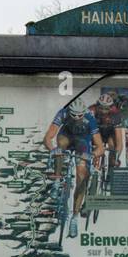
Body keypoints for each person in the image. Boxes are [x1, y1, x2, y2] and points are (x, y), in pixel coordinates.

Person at [43, 97, 101, 239]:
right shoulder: (62, 113)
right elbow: (48, 137)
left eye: (79, 115)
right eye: (73, 115)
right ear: (69, 112)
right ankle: (57, 181)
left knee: (82, 176)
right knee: (60, 146)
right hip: (67, 136)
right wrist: (52, 149)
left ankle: (74, 217)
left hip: (82, 142)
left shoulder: (90, 119)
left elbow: (100, 147)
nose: (76, 118)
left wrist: (91, 155)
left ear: (84, 113)